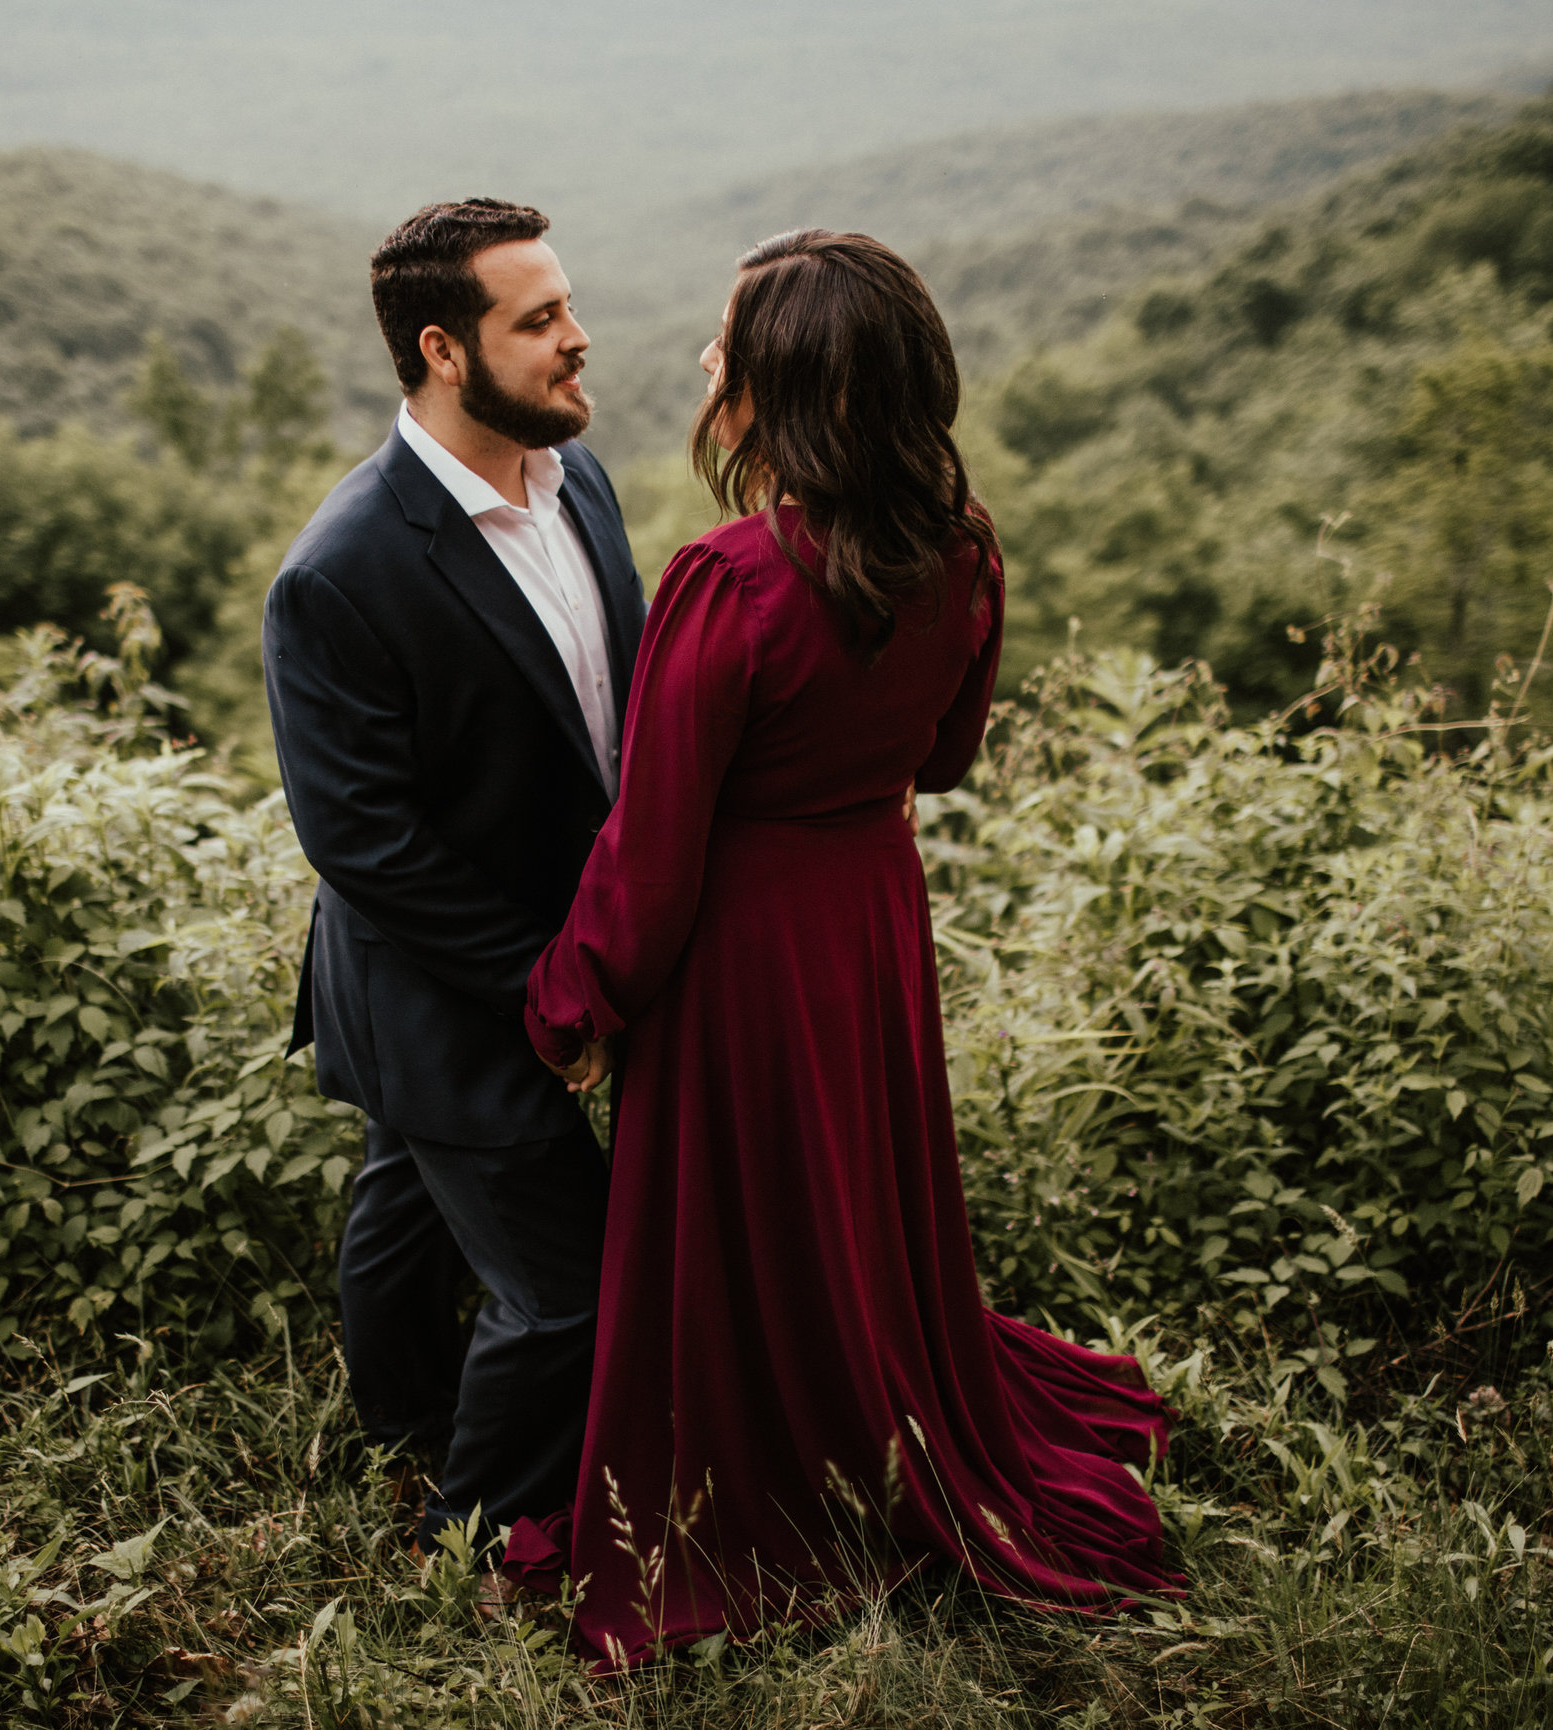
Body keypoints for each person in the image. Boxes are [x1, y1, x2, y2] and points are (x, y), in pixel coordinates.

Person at [499, 230, 1181, 1661]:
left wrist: (569, 997)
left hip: (746, 950)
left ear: (791, 390)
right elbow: (944, 757)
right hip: (868, 915)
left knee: (747, 1219)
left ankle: (764, 1472)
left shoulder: (732, 579)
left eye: (729, 344)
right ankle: (872, 1412)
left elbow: (655, 847)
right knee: (851, 1192)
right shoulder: (966, 551)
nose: (704, 362)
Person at [261, 199, 647, 1551]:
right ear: (442, 348)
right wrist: (553, 986)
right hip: (444, 981)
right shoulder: (344, 570)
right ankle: (462, 1535)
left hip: (559, 947)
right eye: (536, 320)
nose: (575, 338)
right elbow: (364, 841)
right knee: (581, 1287)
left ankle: (397, 1422)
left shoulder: (575, 475)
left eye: (565, 306)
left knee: (408, 1195)